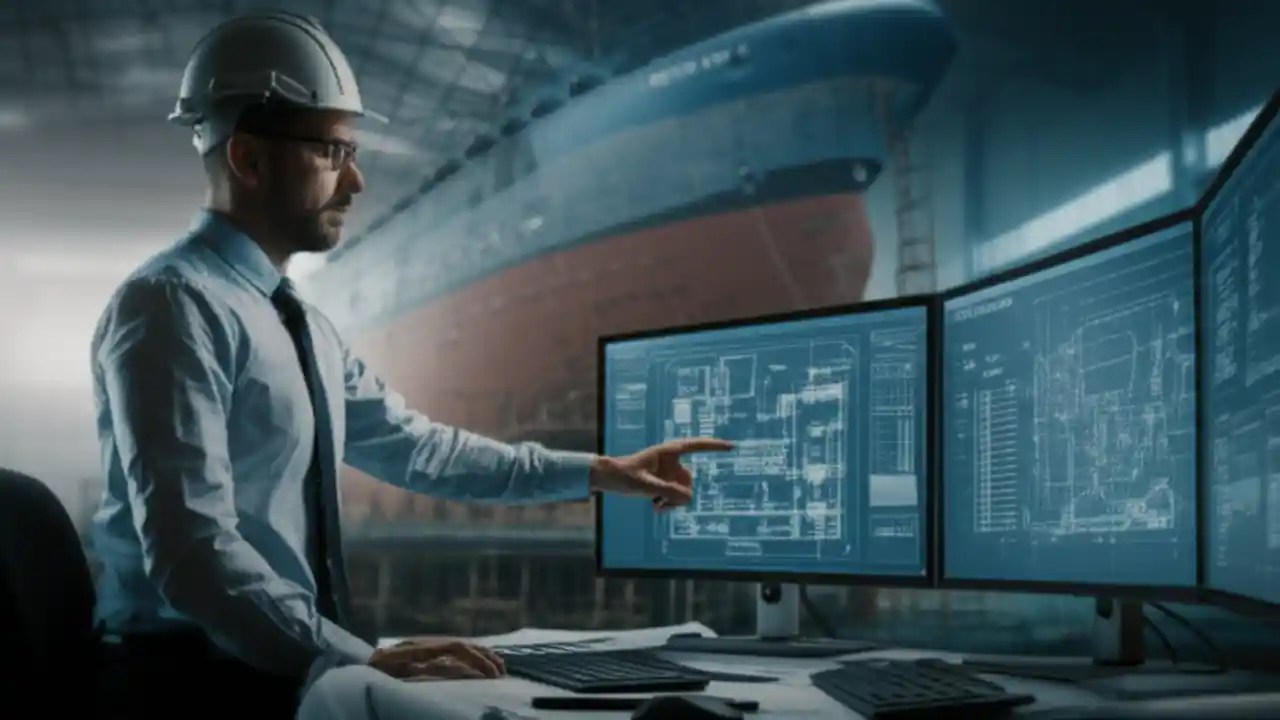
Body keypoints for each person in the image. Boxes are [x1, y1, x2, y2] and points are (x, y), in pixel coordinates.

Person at [88, 10, 733, 717]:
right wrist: (358, 658)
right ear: (248, 157)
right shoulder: (170, 307)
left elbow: (425, 451)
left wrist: (601, 473)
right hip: (188, 684)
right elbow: (192, 552)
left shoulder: (300, 324)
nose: (357, 181)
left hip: (273, 662)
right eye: (334, 152)